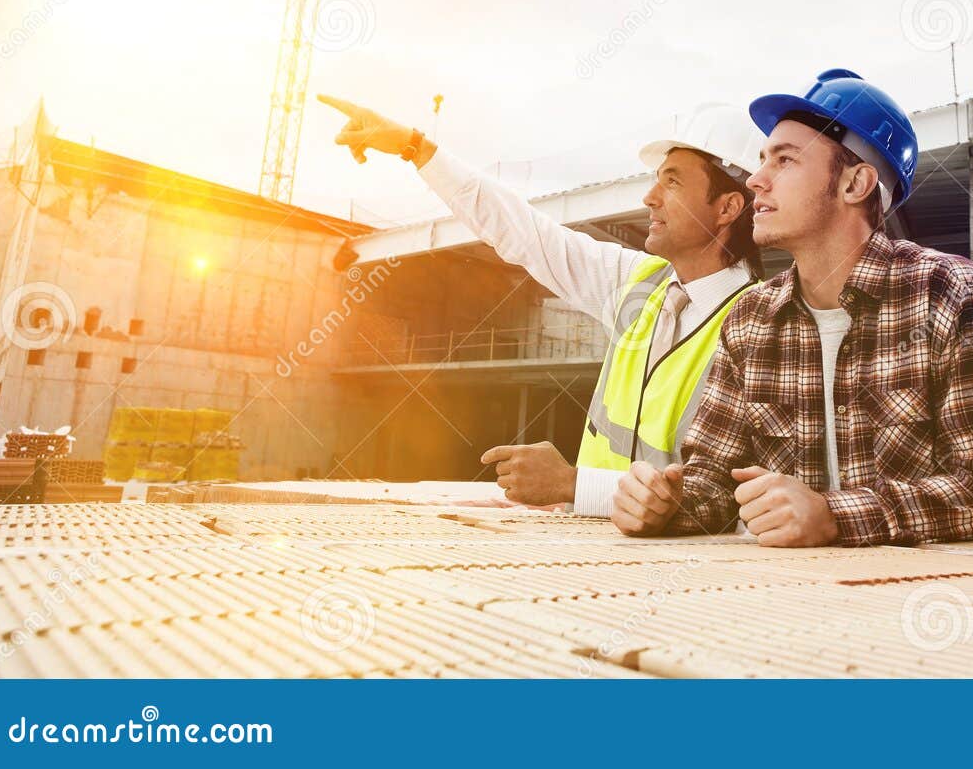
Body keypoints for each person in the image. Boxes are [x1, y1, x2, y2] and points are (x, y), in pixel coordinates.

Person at [610, 69, 973, 546]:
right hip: (795, 607)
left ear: (855, 184)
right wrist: (668, 502)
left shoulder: (949, 293)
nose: (756, 182)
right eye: (762, 160)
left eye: (784, 161)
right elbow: (714, 482)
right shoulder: (750, 321)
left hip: (926, 600)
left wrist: (834, 516)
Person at [318, 95, 763, 514]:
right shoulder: (640, 283)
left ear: (727, 208)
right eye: (655, 179)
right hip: (597, 548)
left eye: (673, 181)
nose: (650, 197)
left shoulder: (759, 326)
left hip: (685, 569)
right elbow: (524, 233)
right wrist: (416, 148)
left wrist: (574, 486)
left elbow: (721, 495)